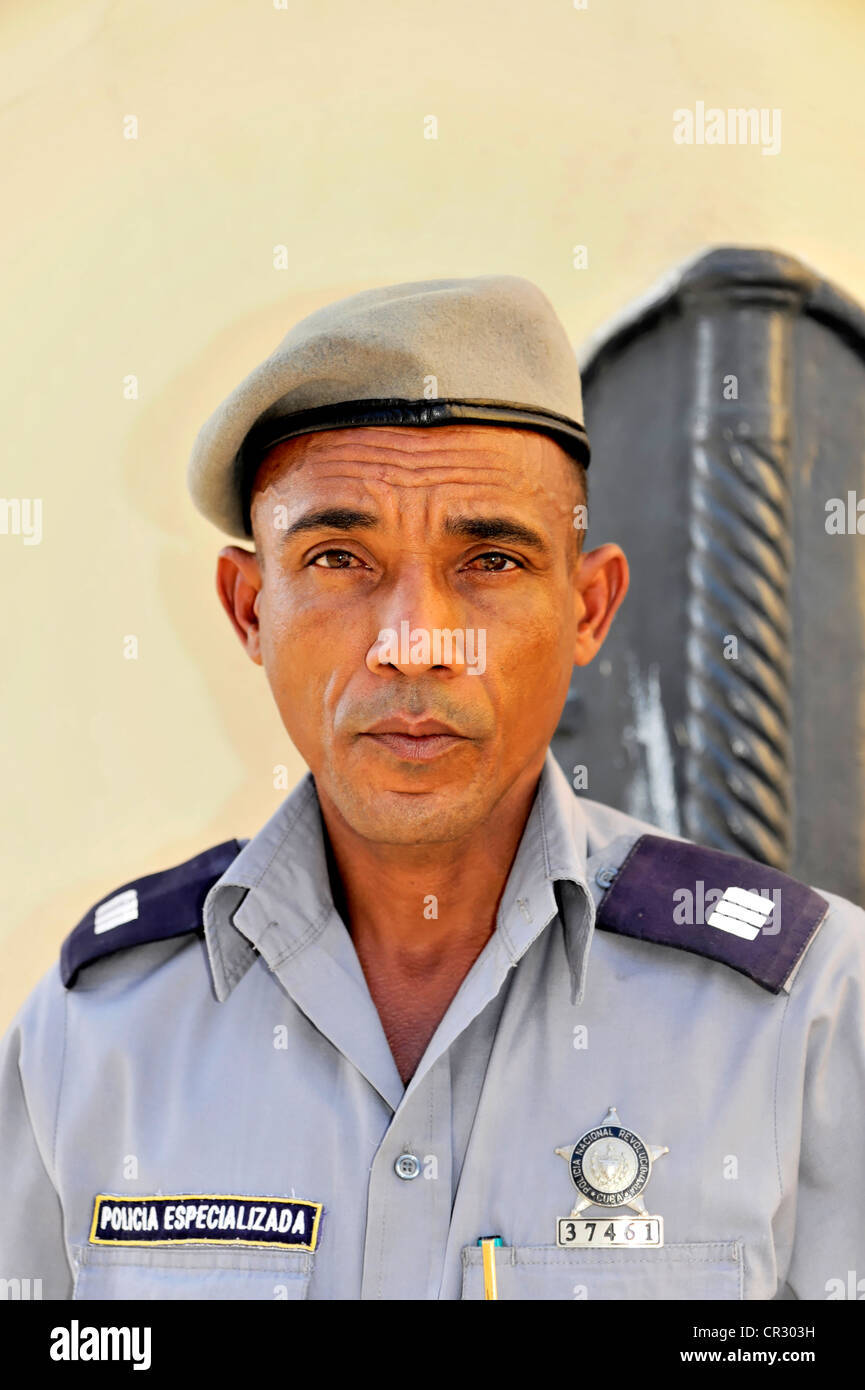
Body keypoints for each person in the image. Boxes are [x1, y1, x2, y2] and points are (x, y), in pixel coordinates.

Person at [1, 275, 863, 1301]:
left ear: (587, 607)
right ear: (247, 609)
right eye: (338, 558)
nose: (414, 643)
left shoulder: (805, 1019)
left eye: (490, 559)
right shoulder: (100, 1037)